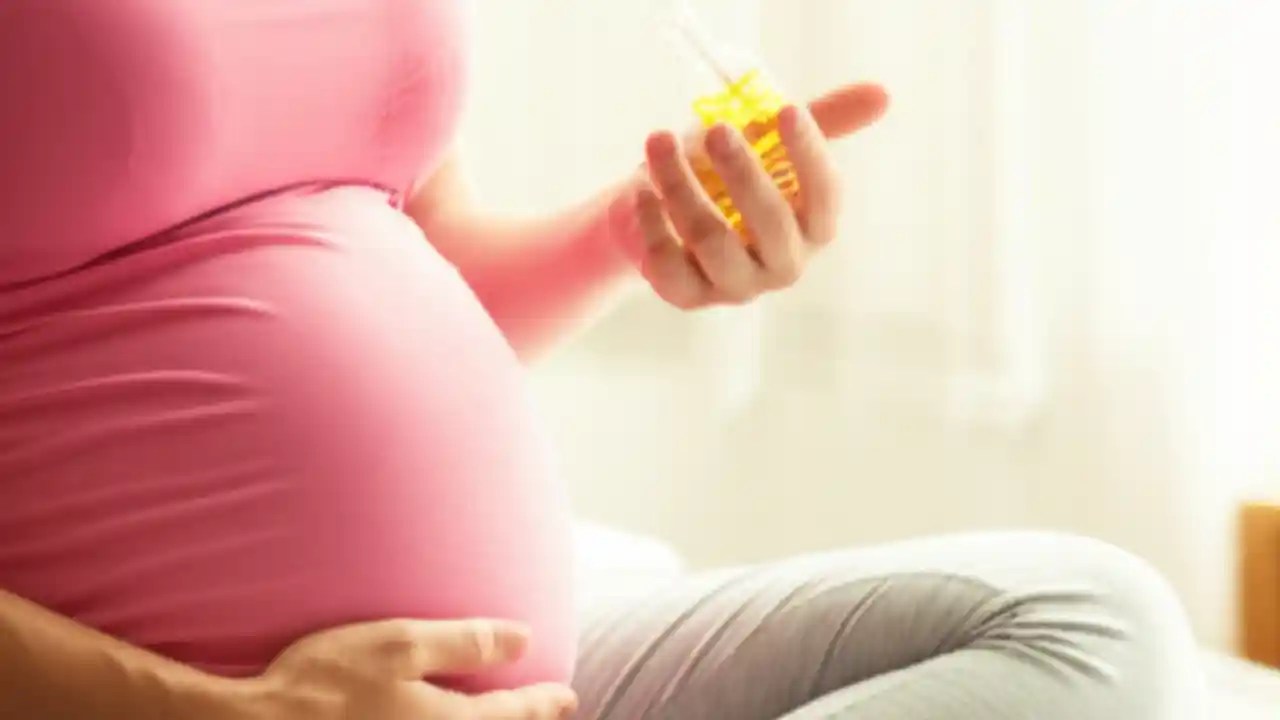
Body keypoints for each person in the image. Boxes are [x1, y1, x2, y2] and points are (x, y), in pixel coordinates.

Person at [0, 1, 1204, 718]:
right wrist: (221, 715)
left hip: (512, 686)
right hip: (172, 696)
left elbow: (413, 259)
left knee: (1080, 621)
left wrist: (634, 232)